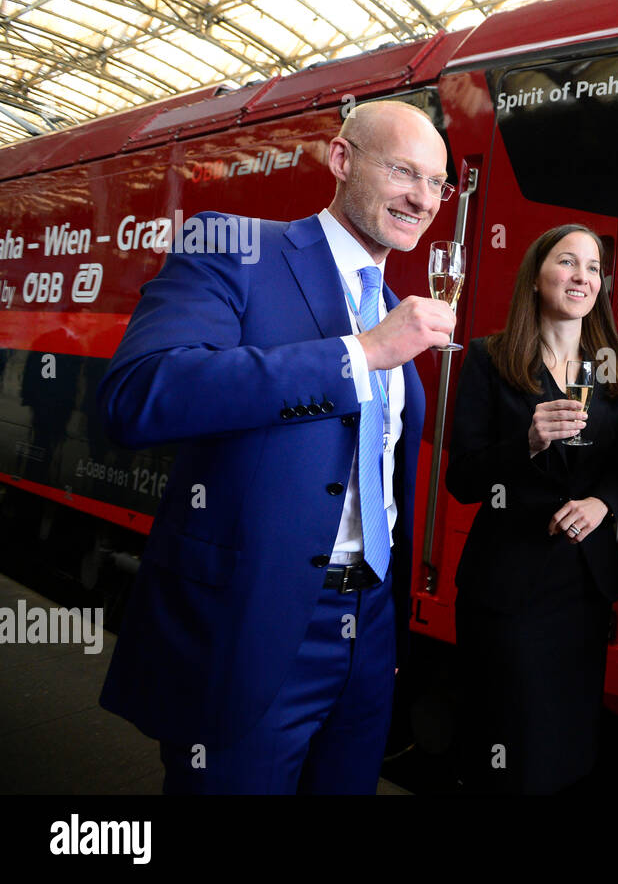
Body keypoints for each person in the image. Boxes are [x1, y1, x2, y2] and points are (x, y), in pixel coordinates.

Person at [96, 100, 457, 794]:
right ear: (342, 159)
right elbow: (138, 393)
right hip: (251, 627)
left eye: (436, 183)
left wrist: (377, 629)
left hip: (368, 627)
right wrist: (358, 353)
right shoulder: (234, 247)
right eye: (403, 171)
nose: (422, 196)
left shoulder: (391, 305)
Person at [446, 224, 618, 794]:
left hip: (581, 589)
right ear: (536, 277)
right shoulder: (489, 357)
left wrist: (600, 505)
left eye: (593, 267)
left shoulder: (612, 367)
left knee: (567, 750)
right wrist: (526, 444)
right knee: (507, 747)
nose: (582, 276)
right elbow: (462, 479)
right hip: (507, 589)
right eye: (567, 262)